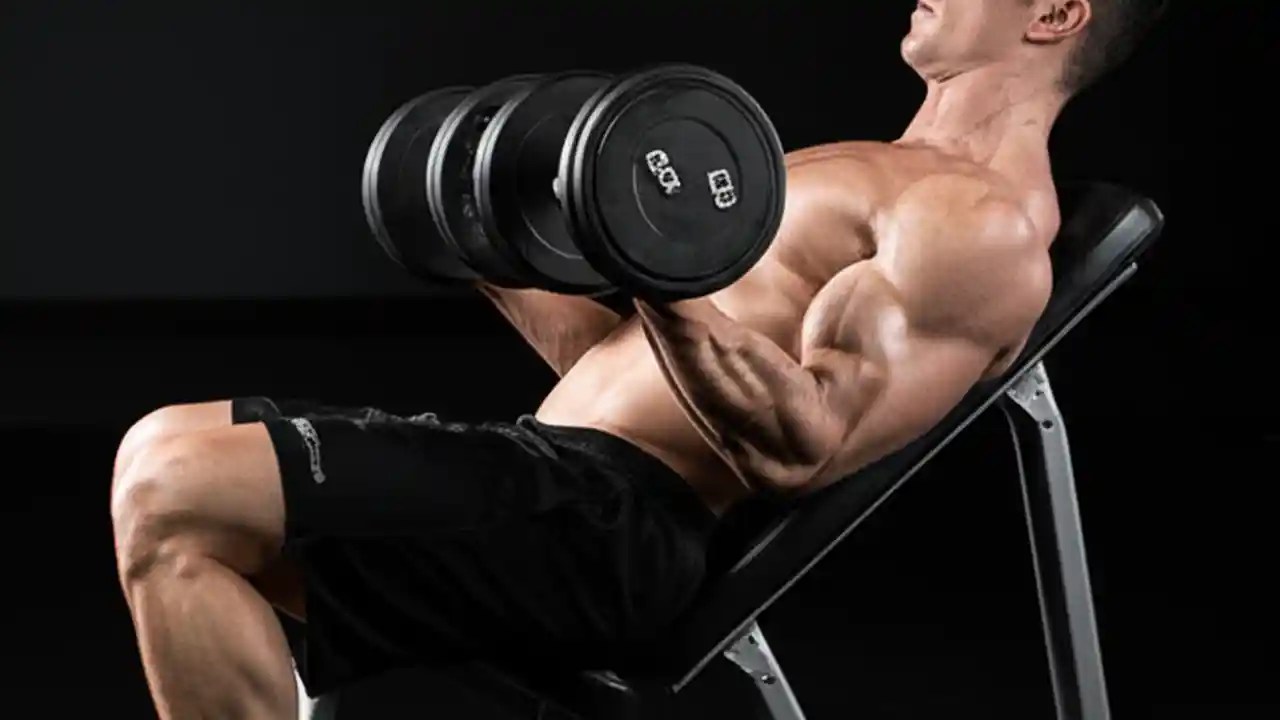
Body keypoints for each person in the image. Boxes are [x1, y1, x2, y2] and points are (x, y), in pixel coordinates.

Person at [109, 1, 1165, 717]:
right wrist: (494, 240)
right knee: (171, 449)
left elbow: (803, 443)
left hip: (616, 528)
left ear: (1054, 12)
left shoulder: (976, 224)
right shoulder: (877, 169)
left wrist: (657, 276)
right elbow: (621, 360)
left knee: (184, 488)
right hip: (550, 473)